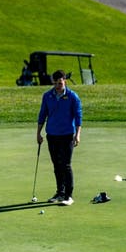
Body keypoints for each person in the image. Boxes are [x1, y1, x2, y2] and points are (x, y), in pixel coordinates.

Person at [37, 70, 82, 206]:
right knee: (56, 165)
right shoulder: (47, 96)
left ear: (65, 82)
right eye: (56, 83)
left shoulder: (72, 96)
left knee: (66, 165)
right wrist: (38, 133)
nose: (58, 85)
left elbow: (78, 117)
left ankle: (69, 196)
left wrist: (77, 135)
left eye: (60, 83)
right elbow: (42, 115)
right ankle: (60, 192)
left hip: (67, 135)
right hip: (52, 135)